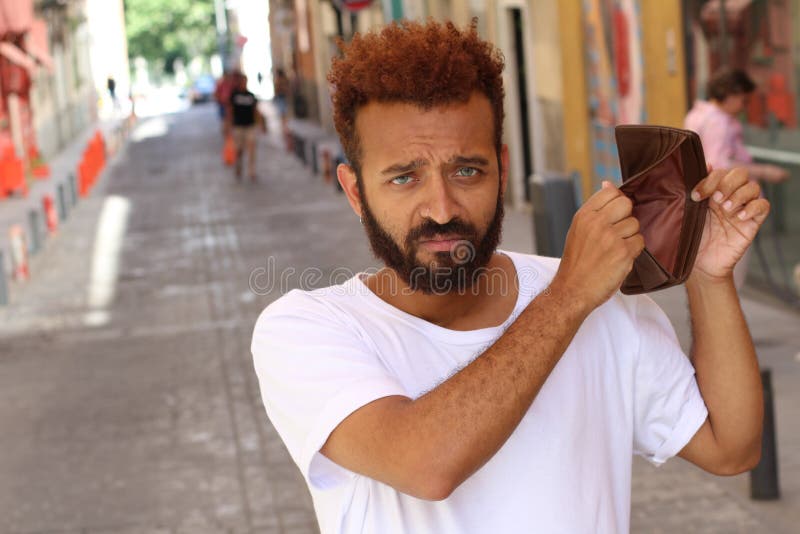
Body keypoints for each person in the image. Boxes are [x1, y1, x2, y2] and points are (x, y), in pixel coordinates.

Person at [252, 20, 769, 533]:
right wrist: (569, 295)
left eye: (467, 171)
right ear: (355, 191)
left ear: (501, 170)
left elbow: (731, 447)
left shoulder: (602, 304)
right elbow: (425, 465)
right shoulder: (307, 329)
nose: (441, 209)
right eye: (404, 178)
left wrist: (709, 276)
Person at [685, 68, 789, 287]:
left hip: (707, 204)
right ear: (730, 94)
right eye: (743, 100)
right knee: (729, 273)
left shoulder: (698, 114)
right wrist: (764, 171)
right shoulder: (719, 122)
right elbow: (719, 164)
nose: (744, 106)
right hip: (728, 204)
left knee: (706, 271)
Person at [228, 73, 264, 182]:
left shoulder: (251, 96)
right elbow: (230, 110)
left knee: (252, 148)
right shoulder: (234, 95)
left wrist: (261, 123)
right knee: (239, 150)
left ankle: (251, 170)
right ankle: (238, 166)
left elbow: (255, 110)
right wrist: (229, 125)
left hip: (250, 126)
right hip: (238, 126)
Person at [273, 68, 291, 146]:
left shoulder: (279, 80)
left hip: (281, 98)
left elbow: (277, 89)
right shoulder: (284, 80)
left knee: (282, 114)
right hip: (282, 98)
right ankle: (285, 127)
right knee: (283, 114)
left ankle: (284, 127)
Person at [214, 70, 235, 137]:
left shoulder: (231, 84)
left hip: (229, 104)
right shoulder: (220, 84)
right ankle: (227, 135)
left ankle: (230, 134)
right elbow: (216, 94)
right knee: (225, 120)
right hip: (223, 105)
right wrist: (221, 101)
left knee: (230, 120)